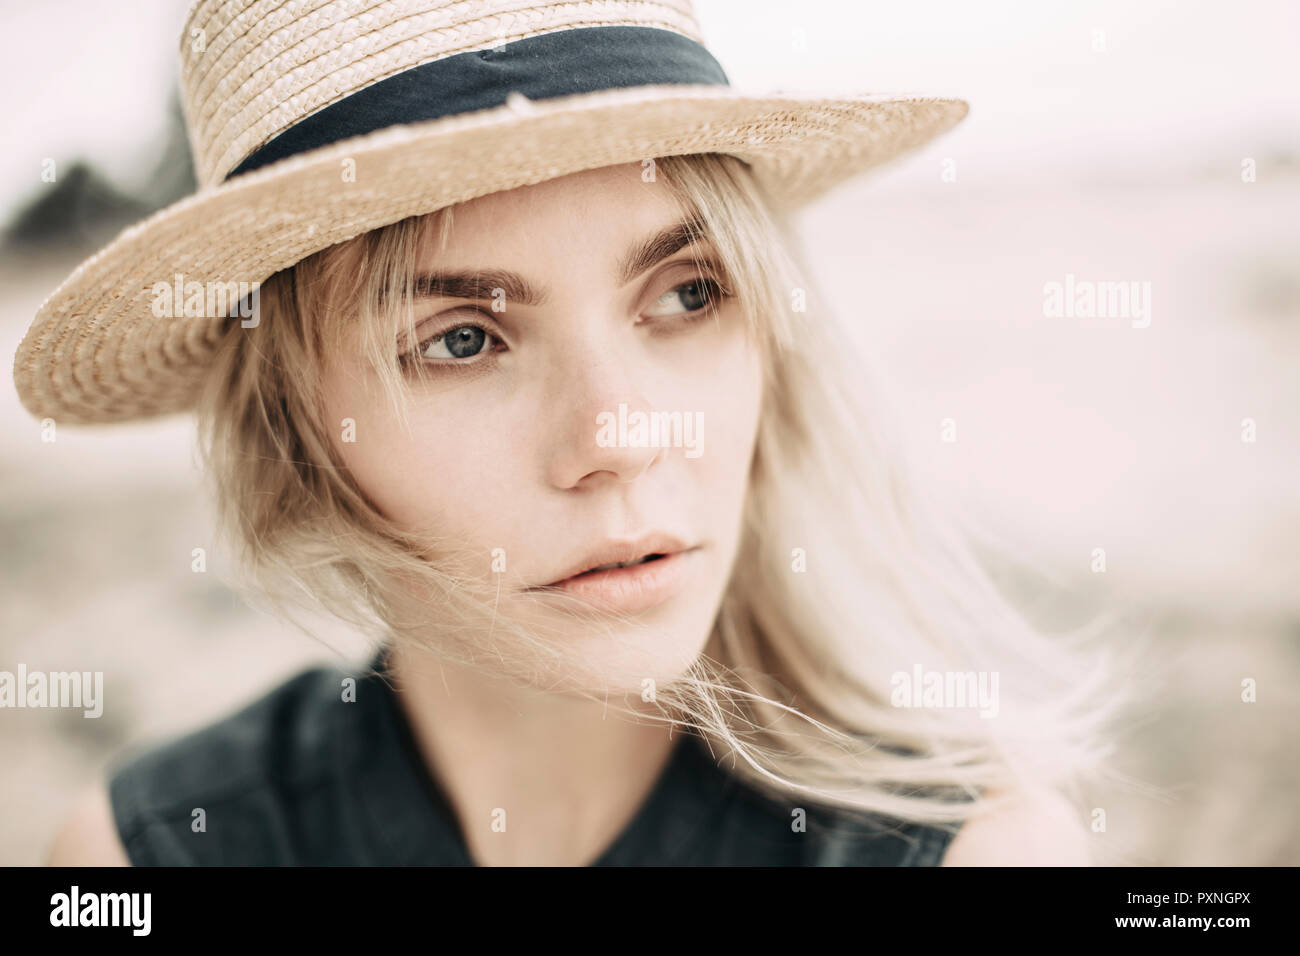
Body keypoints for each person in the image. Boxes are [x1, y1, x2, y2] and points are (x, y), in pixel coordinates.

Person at [27, 0, 1120, 866]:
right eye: (461, 340)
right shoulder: (141, 855)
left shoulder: (977, 851)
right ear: (298, 426)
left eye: (689, 294)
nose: (619, 435)